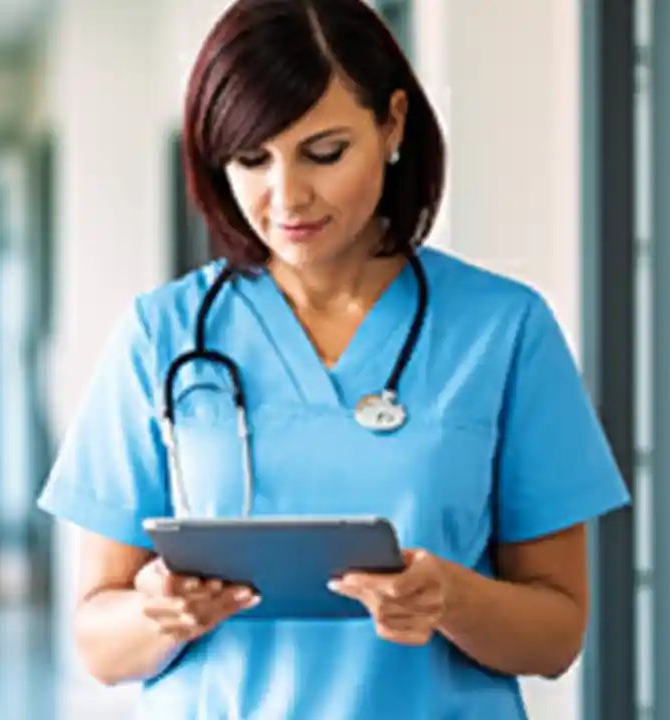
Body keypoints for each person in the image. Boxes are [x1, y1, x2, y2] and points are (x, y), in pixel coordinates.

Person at [35, 0, 631, 717]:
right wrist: (162, 613)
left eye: (324, 153)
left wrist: (451, 599)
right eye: (252, 160)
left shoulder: (502, 331)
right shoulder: (162, 335)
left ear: (392, 124)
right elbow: (99, 643)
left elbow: (556, 636)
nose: (287, 197)